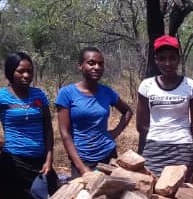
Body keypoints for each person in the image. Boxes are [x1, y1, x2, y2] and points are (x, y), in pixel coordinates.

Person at [0, 52, 54, 199]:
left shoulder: (39, 95)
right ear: (10, 72)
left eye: (29, 71)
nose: (26, 76)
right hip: (13, 163)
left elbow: (48, 127)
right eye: (20, 71)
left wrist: (49, 158)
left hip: (40, 163)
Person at [56, 47, 134, 177]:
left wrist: (115, 132)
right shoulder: (67, 94)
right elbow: (65, 134)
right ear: (80, 66)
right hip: (82, 157)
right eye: (91, 63)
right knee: (83, 196)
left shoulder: (107, 92)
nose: (97, 67)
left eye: (100, 64)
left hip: (107, 154)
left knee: (110, 195)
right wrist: (82, 168)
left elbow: (127, 111)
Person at [136, 35, 193, 183]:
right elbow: (142, 126)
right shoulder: (147, 86)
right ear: (156, 60)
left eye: (172, 58)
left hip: (182, 147)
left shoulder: (191, 86)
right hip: (154, 147)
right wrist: (141, 155)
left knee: (180, 197)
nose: (168, 63)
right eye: (162, 58)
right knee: (152, 193)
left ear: (178, 59)